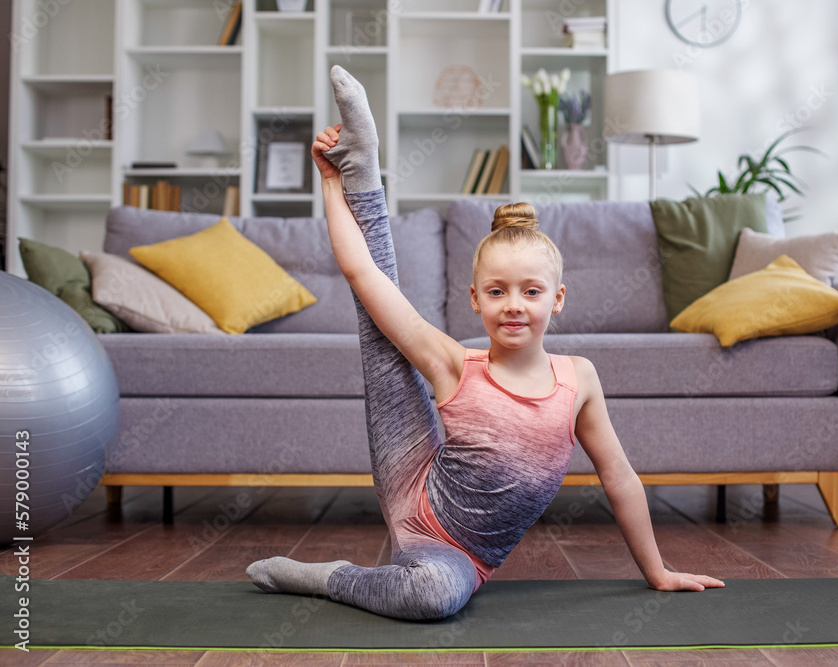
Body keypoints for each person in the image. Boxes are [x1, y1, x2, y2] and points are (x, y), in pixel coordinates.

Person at [246, 66, 725, 621]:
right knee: (378, 320)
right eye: (496, 291)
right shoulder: (454, 364)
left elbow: (619, 478)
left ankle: (326, 577)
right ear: (475, 300)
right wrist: (330, 182)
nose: (513, 304)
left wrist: (658, 571)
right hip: (412, 477)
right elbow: (362, 274)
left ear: (558, 299)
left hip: (456, 555)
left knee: (433, 597)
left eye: (531, 291)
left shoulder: (579, 380)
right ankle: (361, 171)